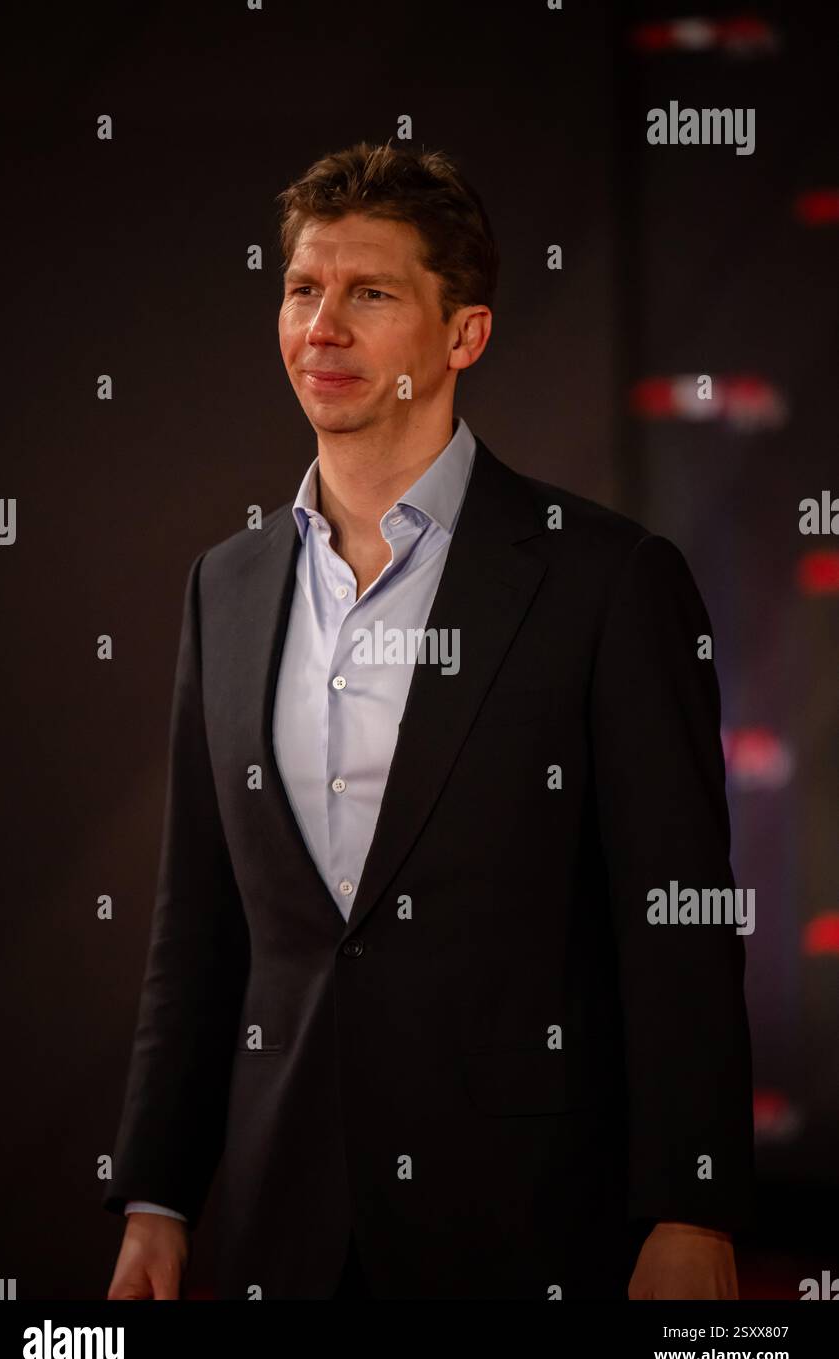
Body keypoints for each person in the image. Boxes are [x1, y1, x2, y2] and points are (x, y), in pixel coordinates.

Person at [104, 141, 754, 1300]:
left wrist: (691, 1205)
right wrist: (155, 1199)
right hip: (277, 1227)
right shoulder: (226, 585)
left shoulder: (607, 580)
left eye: (371, 293)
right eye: (304, 288)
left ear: (464, 335)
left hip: (531, 1225)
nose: (323, 327)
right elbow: (196, 927)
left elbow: (676, 919)